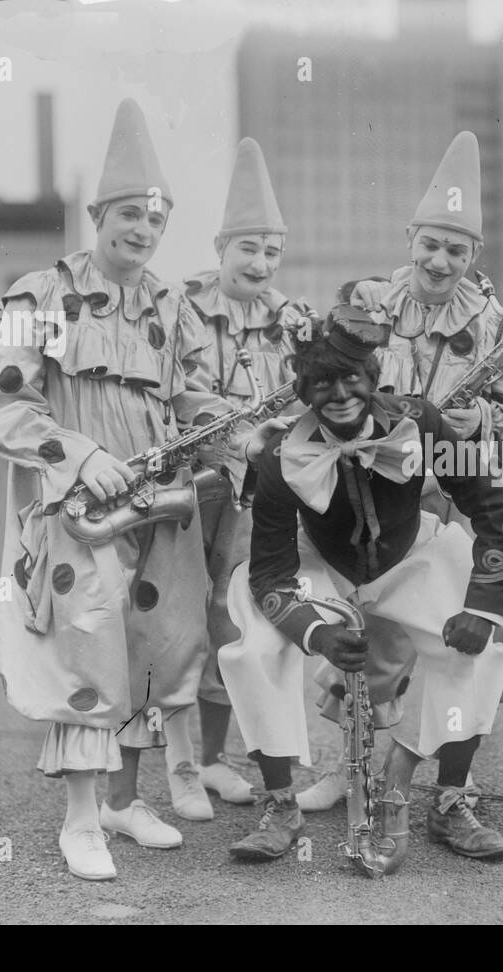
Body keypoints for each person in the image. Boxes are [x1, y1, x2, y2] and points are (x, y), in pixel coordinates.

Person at [0, 100, 270, 881]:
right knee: (90, 643)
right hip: (78, 508)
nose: (142, 230)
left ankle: (123, 802)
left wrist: (240, 432)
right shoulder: (42, 294)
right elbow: (3, 402)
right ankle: (80, 819)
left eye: (155, 219)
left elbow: (190, 398)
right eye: (129, 214)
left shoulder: (172, 307)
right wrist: (77, 455)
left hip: (158, 502)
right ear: (98, 213)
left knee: (156, 645)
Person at [217, 305, 503, 863]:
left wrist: (484, 606)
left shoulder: (422, 421)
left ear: (372, 377)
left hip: (411, 555)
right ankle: (281, 805)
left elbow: (489, 507)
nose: (339, 393)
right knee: (254, 649)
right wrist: (315, 634)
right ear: (304, 390)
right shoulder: (280, 458)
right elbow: (269, 574)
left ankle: (450, 802)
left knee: (479, 651)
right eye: (322, 382)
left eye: (350, 376)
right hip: (320, 566)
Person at [301, 131, 503, 811]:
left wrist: (482, 421)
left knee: (461, 637)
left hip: (456, 490)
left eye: (456, 250)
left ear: (475, 256)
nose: (440, 260)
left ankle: (451, 782)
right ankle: (348, 768)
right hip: (374, 491)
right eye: (430, 244)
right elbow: (324, 386)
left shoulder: (499, 324)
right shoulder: (366, 302)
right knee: (372, 637)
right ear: (409, 239)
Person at [168, 138, 311, 821]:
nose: (259, 264)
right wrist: (240, 437)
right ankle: (177, 768)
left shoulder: (291, 322)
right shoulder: (183, 309)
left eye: (271, 252)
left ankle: (215, 759)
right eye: (247, 248)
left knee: (233, 622)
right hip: (193, 486)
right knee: (175, 623)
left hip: (259, 496)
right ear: (221, 246)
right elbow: (184, 394)